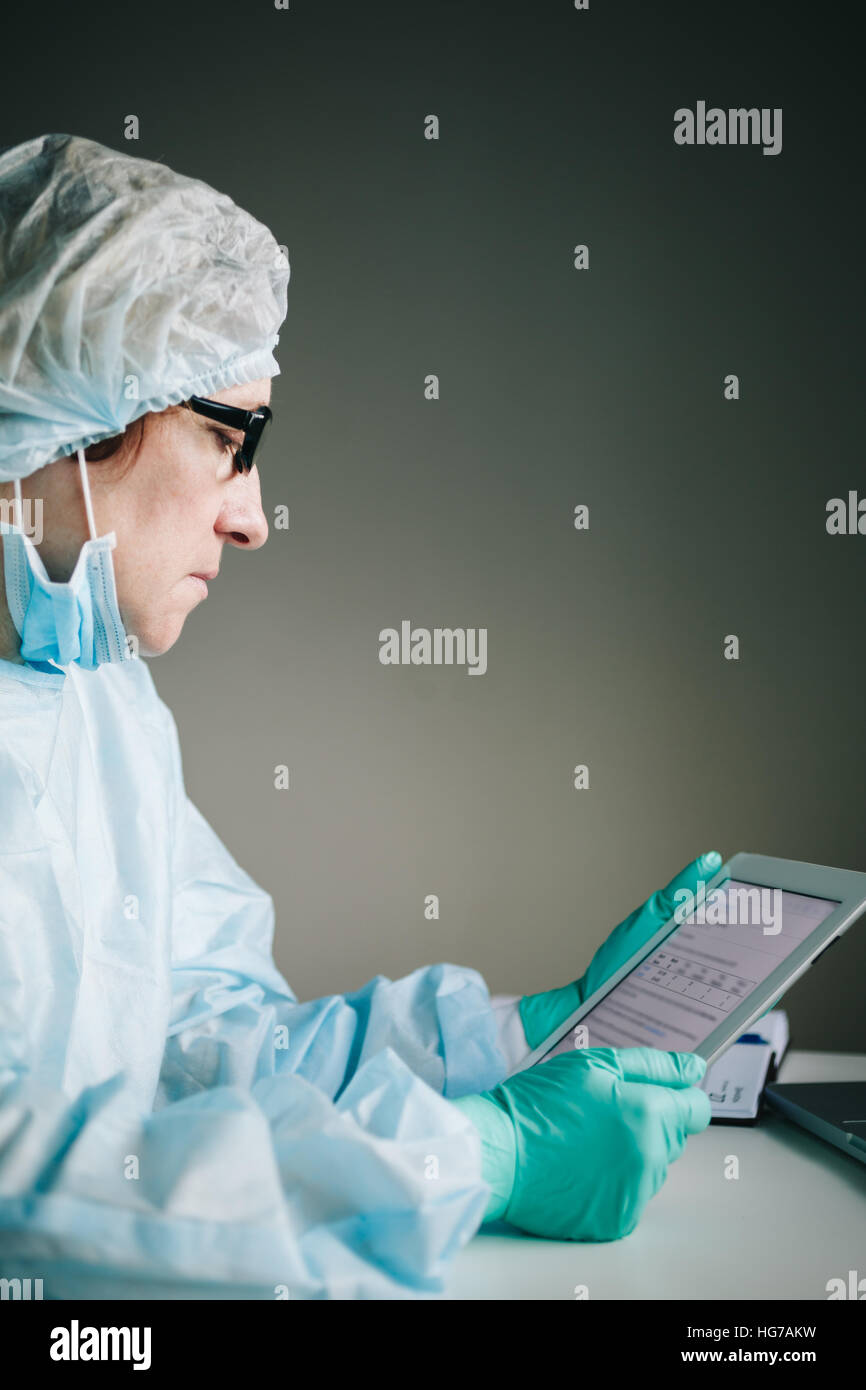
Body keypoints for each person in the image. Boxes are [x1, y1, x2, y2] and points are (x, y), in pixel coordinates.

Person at [0, 133, 712, 1300]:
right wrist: (476, 1159)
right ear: (60, 414)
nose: (255, 519)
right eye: (229, 442)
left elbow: (206, 1040)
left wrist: (527, 1036)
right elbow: (29, 1199)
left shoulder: (94, 698)